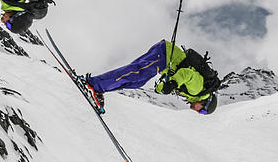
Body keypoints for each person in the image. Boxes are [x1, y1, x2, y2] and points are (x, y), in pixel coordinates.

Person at [81, 41, 220, 114]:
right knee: (137, 72)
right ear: (205, 103)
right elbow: (187, 74)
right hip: (166, 54)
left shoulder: (192, 95)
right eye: (201, 110)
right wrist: (173, 83)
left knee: (137, 81)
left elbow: (169, 83)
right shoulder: (197, 90)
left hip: (164, 58)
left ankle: (99, 89)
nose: (197, 111)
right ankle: (94, 85)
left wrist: (162, 89)